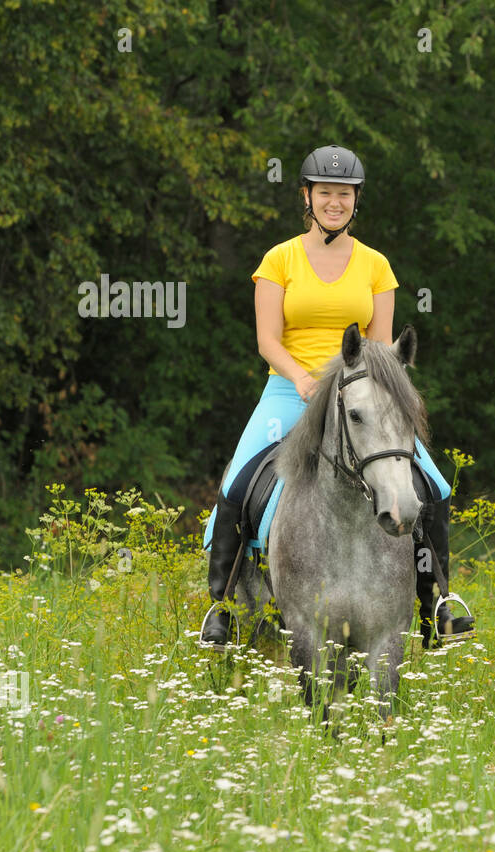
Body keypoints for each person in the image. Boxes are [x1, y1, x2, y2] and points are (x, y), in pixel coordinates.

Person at [199, 145, 473, 647]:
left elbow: (381, 351)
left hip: (360, 397)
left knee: (432, 486)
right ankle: (221, 608)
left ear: (354, 201)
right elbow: (266, 340)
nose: (334, 202)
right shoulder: (278, 260)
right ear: (307, 196)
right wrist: (303, 380)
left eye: (343, 195)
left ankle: (438, 601)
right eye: (325, 193)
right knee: (235, 488)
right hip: (291, 391)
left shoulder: (375, 265)